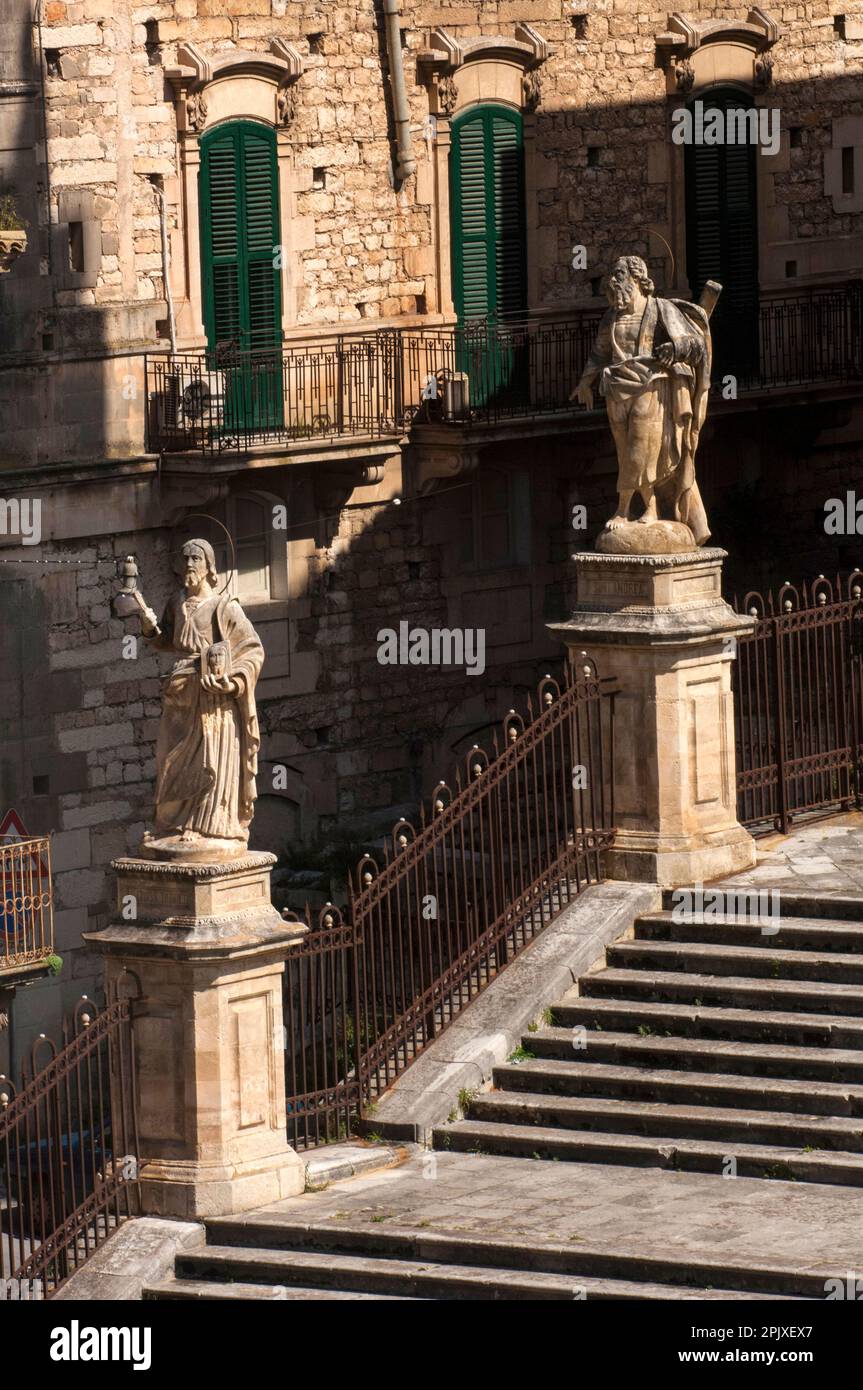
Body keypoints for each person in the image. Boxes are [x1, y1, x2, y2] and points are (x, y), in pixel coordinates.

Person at [136, 538, 264, 858]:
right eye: (185, 558)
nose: (189, 564)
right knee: (170, 758)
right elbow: (168, 640)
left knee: (208, 760)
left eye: (196, 558)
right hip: (179, 694)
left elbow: (252, 649)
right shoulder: (176, 602)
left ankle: (208, 825)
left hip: (212, 697)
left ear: (209, 567)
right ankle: (173, 822)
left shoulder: (224, 607)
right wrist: (149, 629)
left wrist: (233, 683)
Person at [572, 255, 713, 544]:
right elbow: (599, 353)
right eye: (613, 275)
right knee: (625, 450)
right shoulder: (611, 316)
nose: (613, 281)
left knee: (641, 448)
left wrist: (673, 349)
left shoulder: (660, 308)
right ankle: (648, 505)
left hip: (651, 384)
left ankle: (628, 508)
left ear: (636, 278)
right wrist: (585, 383)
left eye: (619, 275)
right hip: (616, 387)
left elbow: (695, 344)